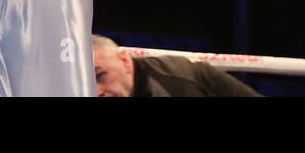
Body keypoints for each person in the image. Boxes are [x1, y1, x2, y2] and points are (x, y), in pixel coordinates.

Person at [92, 35, 263, 97]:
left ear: (124, 61)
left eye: (100, 75)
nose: (97, 92)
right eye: (88, 84)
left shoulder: (175, 82)